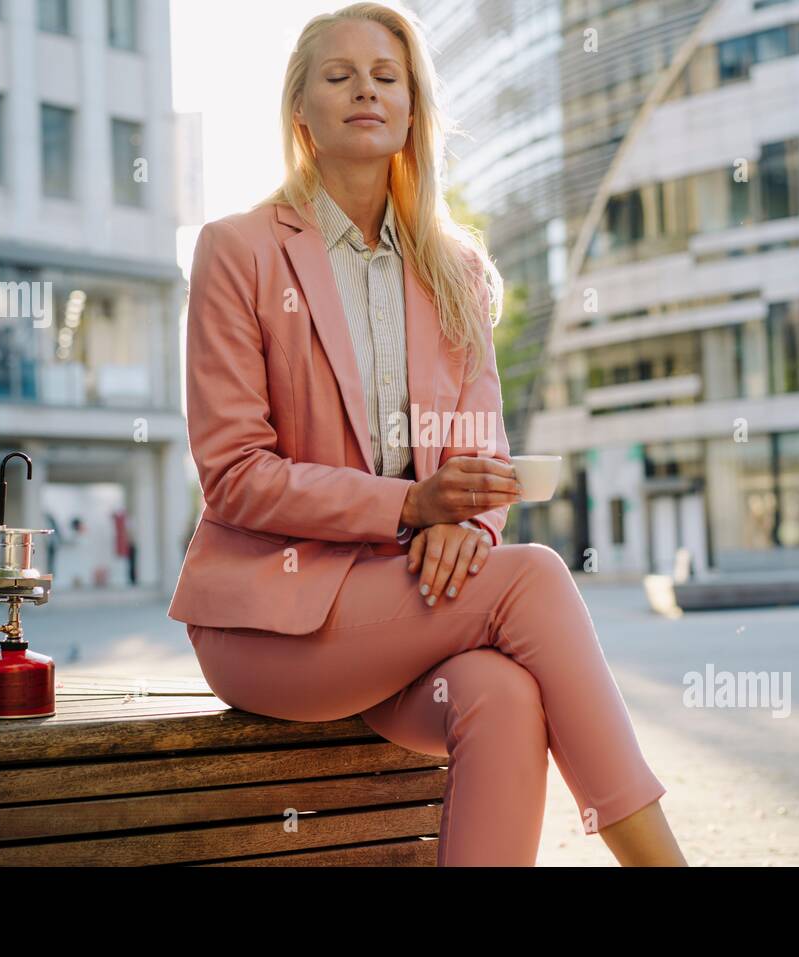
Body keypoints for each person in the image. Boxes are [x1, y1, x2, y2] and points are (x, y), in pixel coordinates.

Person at [168, 2, 685, 867]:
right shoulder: (239, 251)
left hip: (408, 608)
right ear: (301, 110)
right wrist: (410, 504)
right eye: (339, 76)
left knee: (504, 693)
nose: (365, 90)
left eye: (386, 76)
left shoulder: (457, 270)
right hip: (272, 622)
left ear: (412, 110)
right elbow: (236, 475)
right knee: (534, 580)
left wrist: (460, 524)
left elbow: (480, 463)